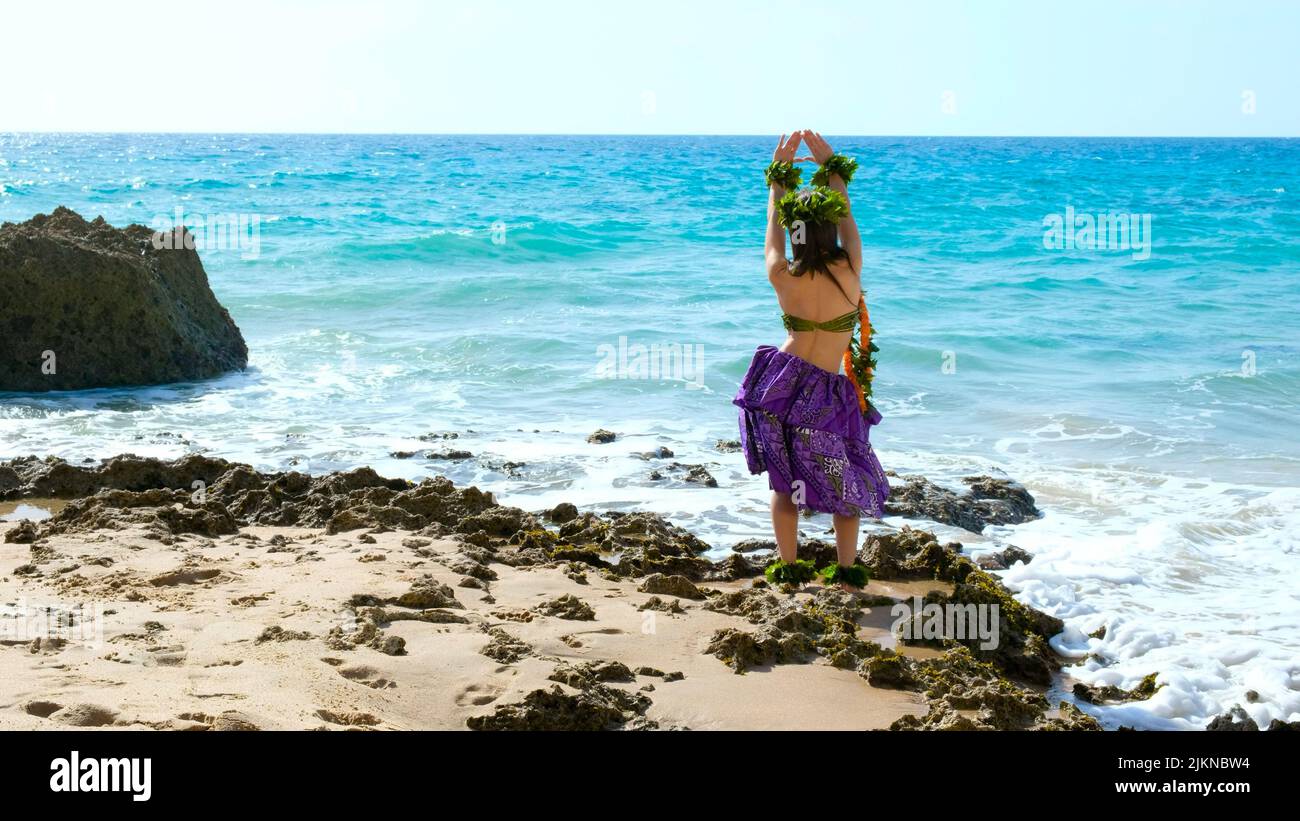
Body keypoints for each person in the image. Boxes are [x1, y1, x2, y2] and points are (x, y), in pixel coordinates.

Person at [732, 130, 889, 592]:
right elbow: (848, 219)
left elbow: (773, 236)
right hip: (830, 390)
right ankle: (844, 573)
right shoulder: (851, 271)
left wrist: (777, 184)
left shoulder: (783, 275)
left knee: (786, 486)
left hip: (783, 382)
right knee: (845, 483)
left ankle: (790, 569)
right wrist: (832, 171)